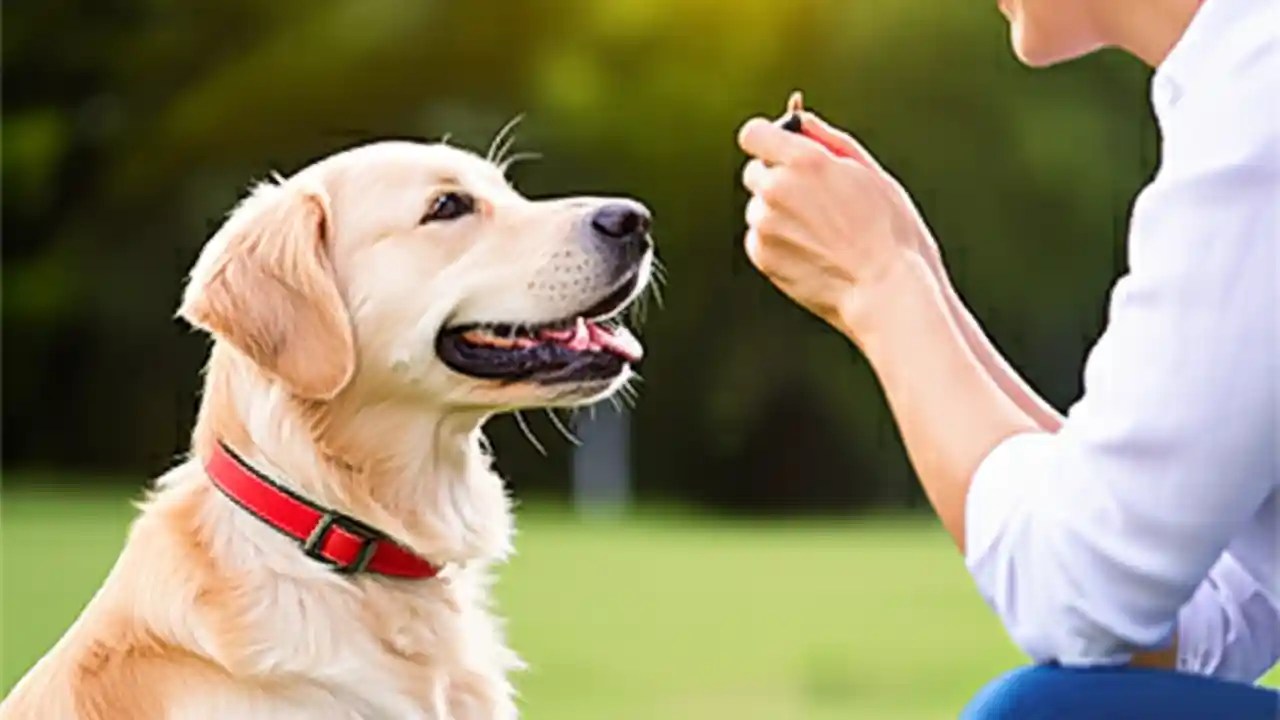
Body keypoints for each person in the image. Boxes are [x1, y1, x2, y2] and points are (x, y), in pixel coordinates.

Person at [736, 0, 1278, 717]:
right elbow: (1216, 611)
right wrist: (914, 273)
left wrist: (881, 288)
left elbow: (1077, 594)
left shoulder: (1256, 113)